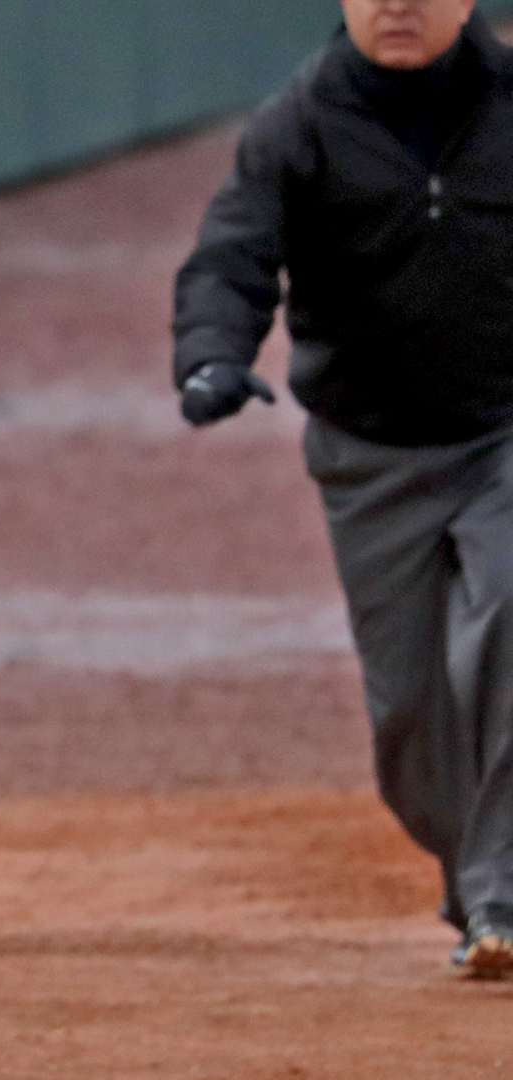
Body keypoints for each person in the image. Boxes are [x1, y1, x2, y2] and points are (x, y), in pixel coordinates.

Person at [172, 0, 513, 977]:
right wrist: (212, 356)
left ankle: (504, 893)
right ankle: (477, 883)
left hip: (504, 431)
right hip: (371, 456)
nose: (396, 3)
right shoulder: (299, 122)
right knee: (410, 711)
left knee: (509, 617)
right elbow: (231, 256)